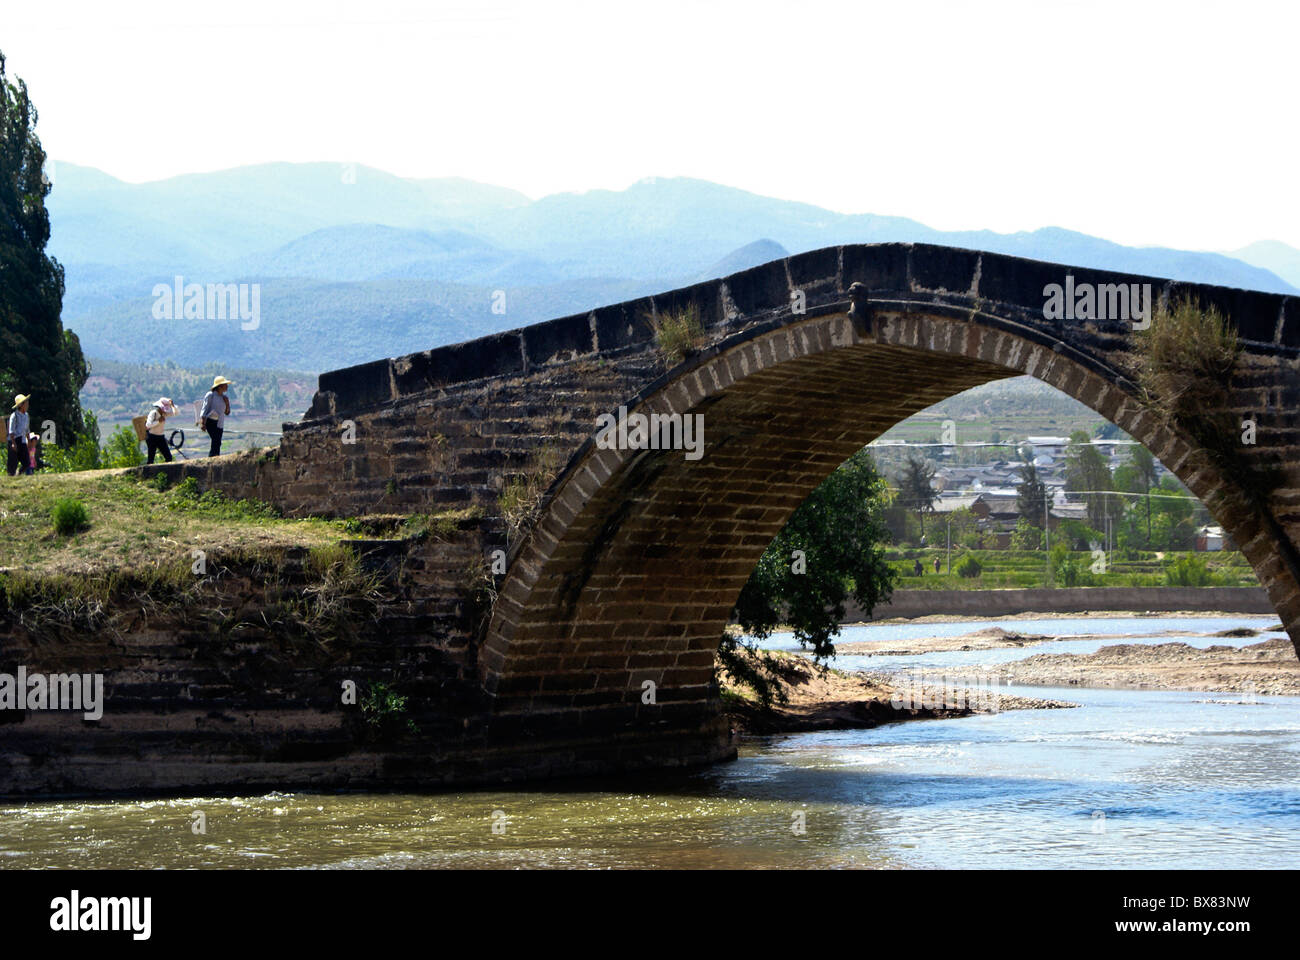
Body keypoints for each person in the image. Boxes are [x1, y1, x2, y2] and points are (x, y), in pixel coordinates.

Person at [199, 376, 232, 457]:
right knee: (216, 441)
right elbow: (204, 409)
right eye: (225, 384)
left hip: (220, 424)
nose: (227, 386)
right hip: (211, 422)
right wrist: (203, 423)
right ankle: (212, 459)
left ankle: (214, 458)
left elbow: (227, 413)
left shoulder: (224, 398)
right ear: (220, 386)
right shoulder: (210, 395)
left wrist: (227, 404)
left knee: (217, 443)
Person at [144, 397, 178, 464]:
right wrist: (158, 421)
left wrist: (172, 406)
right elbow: (148, 425)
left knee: (168, 457)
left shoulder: (165, 414)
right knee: (151, 458)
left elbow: (175, 413)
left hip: (161, 437)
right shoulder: (153, 413)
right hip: (151, 437)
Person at [7, 393, 32, 476]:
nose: (27, 405)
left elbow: (27, 429)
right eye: (26, 403)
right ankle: (11, 477)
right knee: (12, 463)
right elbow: (11, 431)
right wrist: (13, 444)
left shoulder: (26, 416)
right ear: (21, 405)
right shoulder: (14, 416)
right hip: (14, 440)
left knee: (27, 462)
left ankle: (19, 474)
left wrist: (29, 440)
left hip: (22, 440)